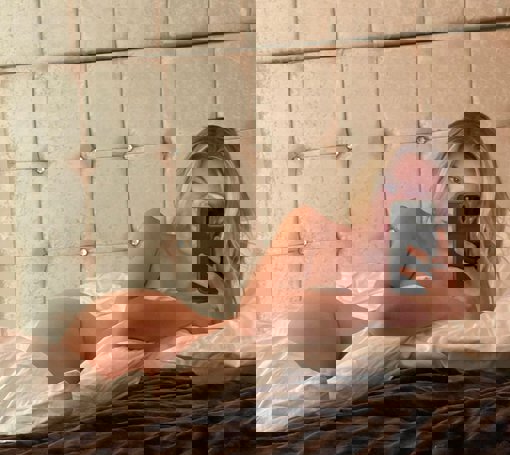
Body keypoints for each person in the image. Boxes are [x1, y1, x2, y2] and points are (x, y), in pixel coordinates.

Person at [54, 113, 507, 381]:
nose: (139, 297)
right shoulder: (178, 352)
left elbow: (300, 226)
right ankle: (444, 252)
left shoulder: (236, 317)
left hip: (330, 289)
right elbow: (108, 371)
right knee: (373, 289)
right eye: (117, 308)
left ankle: (437, 236)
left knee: (405, 174)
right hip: (329, 312)